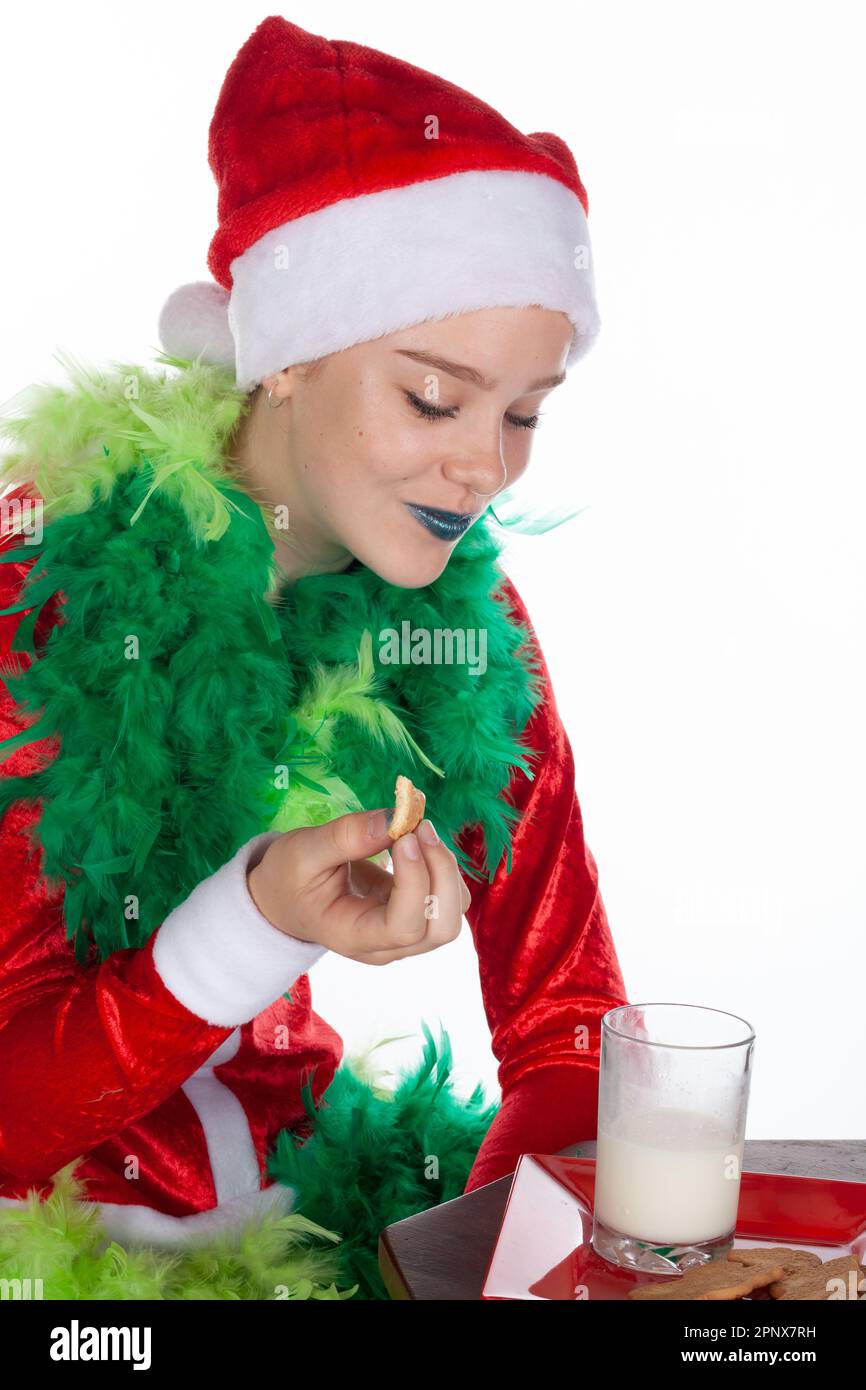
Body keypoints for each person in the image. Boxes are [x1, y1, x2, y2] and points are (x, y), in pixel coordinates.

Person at [0, 15, 628, 1300]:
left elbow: (566, 1022)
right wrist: (249, 924)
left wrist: (515, 1270)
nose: (482, 467)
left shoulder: (464, 632)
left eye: (522, 414)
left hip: (312, 1233)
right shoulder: (37, 600)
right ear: (284, 350)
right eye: (434, 398)